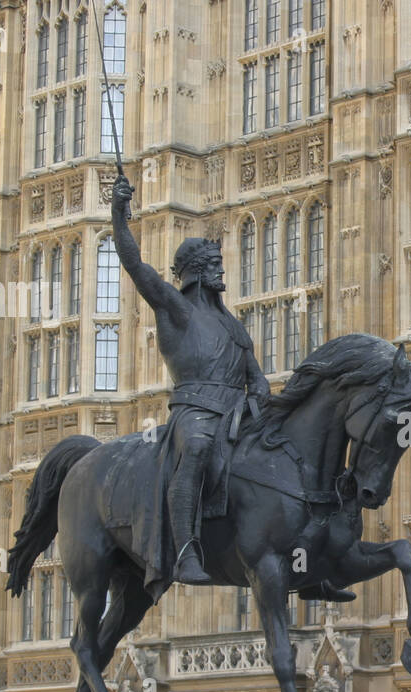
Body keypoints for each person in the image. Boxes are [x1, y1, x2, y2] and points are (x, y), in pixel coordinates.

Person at [111, 174, 270, 585]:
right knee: (197, 449)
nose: (222, 272)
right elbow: (134, 264)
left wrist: (267, 407)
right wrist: (118, 214)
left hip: (237, 415)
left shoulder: (233, 326)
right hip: (195, 412)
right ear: (197, 272)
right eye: (215, 266)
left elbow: (258, 379)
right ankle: (185, 552)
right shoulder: (176, 310)